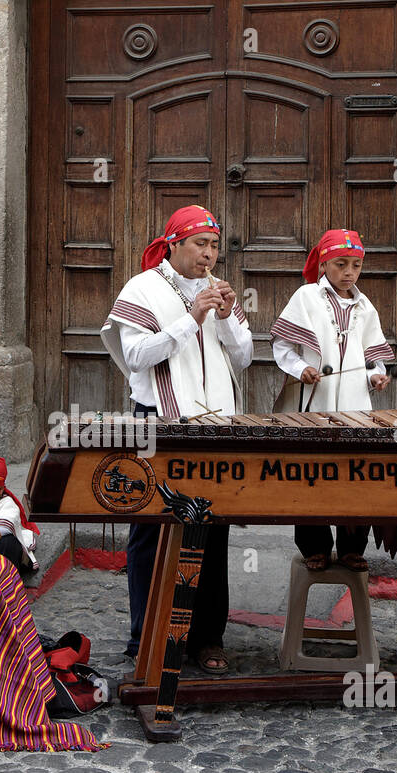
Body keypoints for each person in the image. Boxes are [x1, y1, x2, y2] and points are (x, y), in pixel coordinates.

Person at [100, 205, 253, 673]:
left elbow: (244, 356)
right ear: (174, 244)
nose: (208, 255)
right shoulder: (142, 288)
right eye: (199, 244)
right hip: (159, 422)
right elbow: (136, 355)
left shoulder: (218, 290)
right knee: (151, 527)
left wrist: (225, 317)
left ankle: (207, 638)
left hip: (215, 424)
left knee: (214, 525)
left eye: (213, 245)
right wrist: (191, 317)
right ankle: (145, 635)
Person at [270, 228, 395, 572]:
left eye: (355, 265)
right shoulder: (306, 297)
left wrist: (376, 376)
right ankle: (315, 546)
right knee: (310, 473)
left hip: (355, 406)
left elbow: (373, 358)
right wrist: (301, 369)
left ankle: (353, 546)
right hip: (313, 403)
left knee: (356, 475)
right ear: (324, 264)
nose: (349, 272)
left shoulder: (364, 305)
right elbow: (282, 347)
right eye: (341, 264)